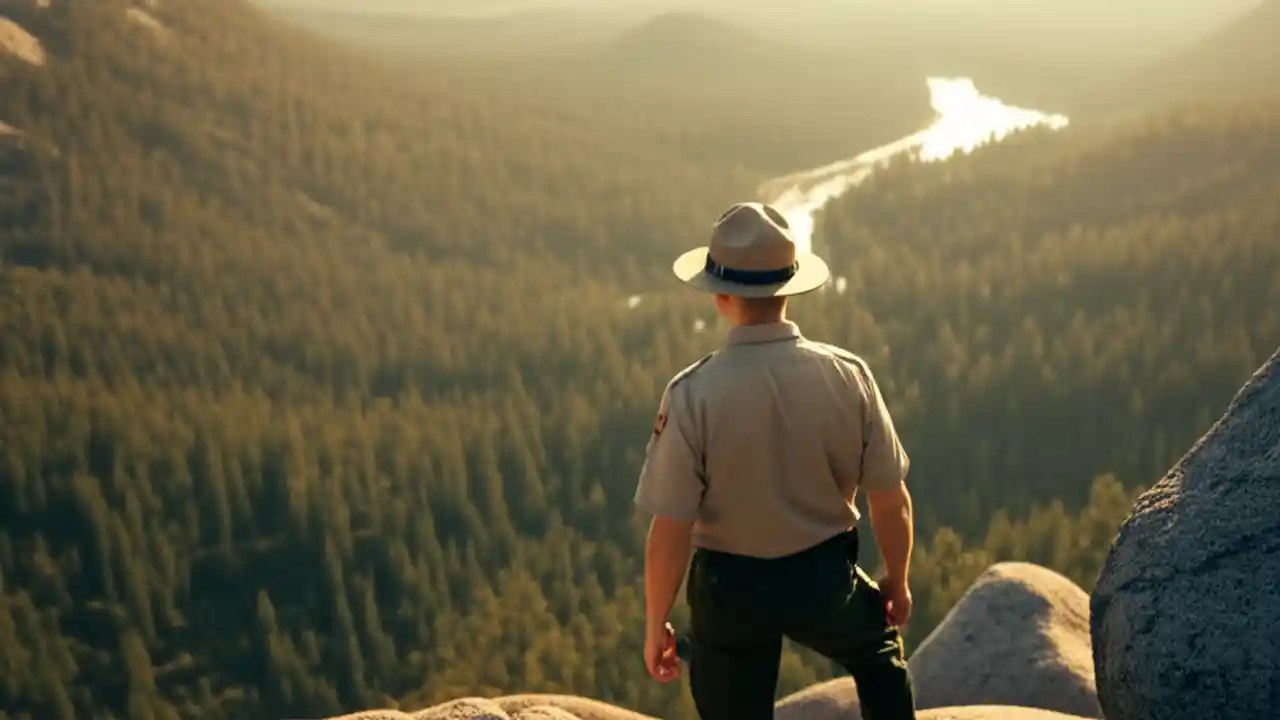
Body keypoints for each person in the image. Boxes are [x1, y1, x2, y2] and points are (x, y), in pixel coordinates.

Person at [634, 202, 917, 720]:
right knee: (878, 655)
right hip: (824, 576)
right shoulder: (848, 375)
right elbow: (889, 497)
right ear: (789, 288)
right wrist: (896, 578)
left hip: (730, 589)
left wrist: (656, 623)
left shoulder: (692, 394)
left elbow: (670, 529)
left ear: (720, 296)